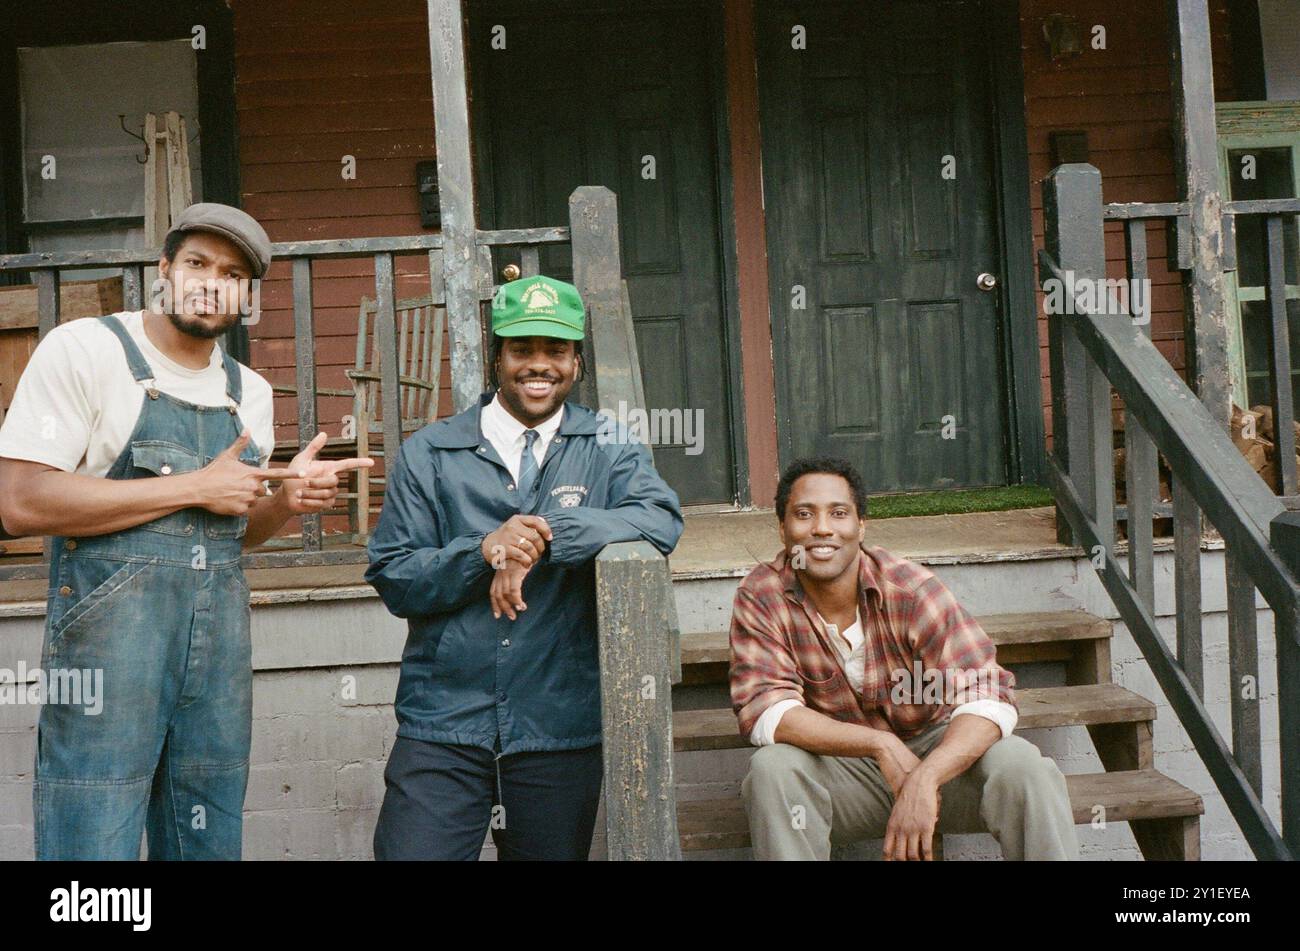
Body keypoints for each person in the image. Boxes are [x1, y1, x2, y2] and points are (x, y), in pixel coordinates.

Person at [0, 202, 372, 859]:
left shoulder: (246, 392)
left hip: (216, 658)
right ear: (164, 269)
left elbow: (232, 532)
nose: (211, 282)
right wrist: (194, 485)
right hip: (108, 658)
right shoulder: (87, 350)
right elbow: (20, 501)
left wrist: (284, 500)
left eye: (232, 273)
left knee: (205, 837)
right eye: (197, 262)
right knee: (92, 842)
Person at [366, 274, 683, 860]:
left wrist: (541, 536)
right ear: (496, 358)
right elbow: (395, 575)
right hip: (445, 723)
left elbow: (659, 519)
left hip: (556, 721)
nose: (540, 365)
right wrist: (484, 549)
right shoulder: (430, 452)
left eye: (556, 350)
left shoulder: (610, 444)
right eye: (522, 349)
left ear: (577, 362)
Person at [730, 457, 1078, 860]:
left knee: (1023, 765)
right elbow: (767, 711)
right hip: (845, 775)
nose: (822, 528)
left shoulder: (911, 590)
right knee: (772, 770)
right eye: (804, 514)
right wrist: (879, 745)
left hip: (942, 767)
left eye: (838, 513)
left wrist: (926, 778)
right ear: (783, 528)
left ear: (861, 526)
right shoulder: (764, 595)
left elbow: (987, 694)